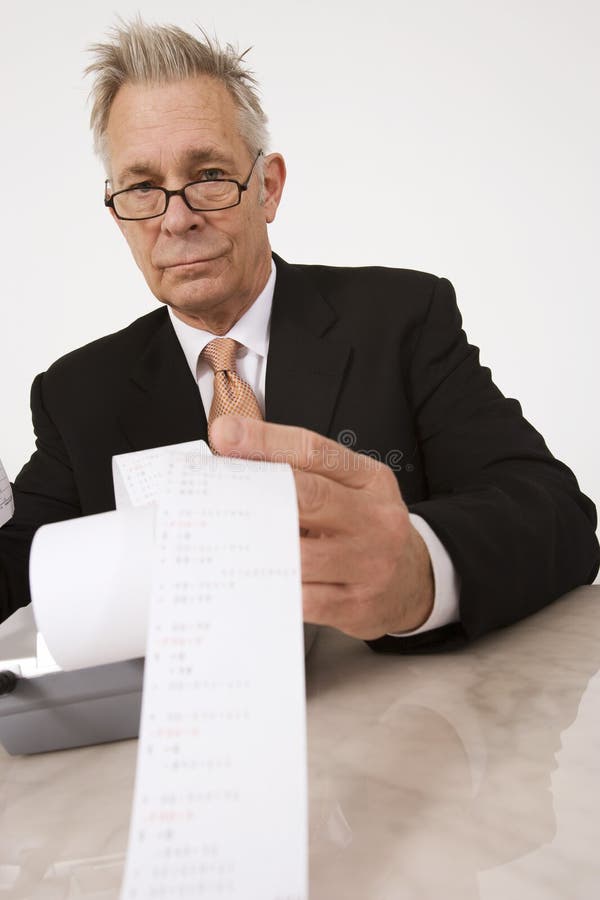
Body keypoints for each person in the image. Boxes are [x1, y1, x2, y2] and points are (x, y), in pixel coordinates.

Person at [0, 20, 597, 652]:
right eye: (143, 187)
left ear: (268, 187)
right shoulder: (77, 392)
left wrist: (418, 571)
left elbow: (554, 511)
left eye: (207, 174)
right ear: (117, 207)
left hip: (403, 726)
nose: (176, 219)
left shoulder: (401, 318)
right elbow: (18, 566)